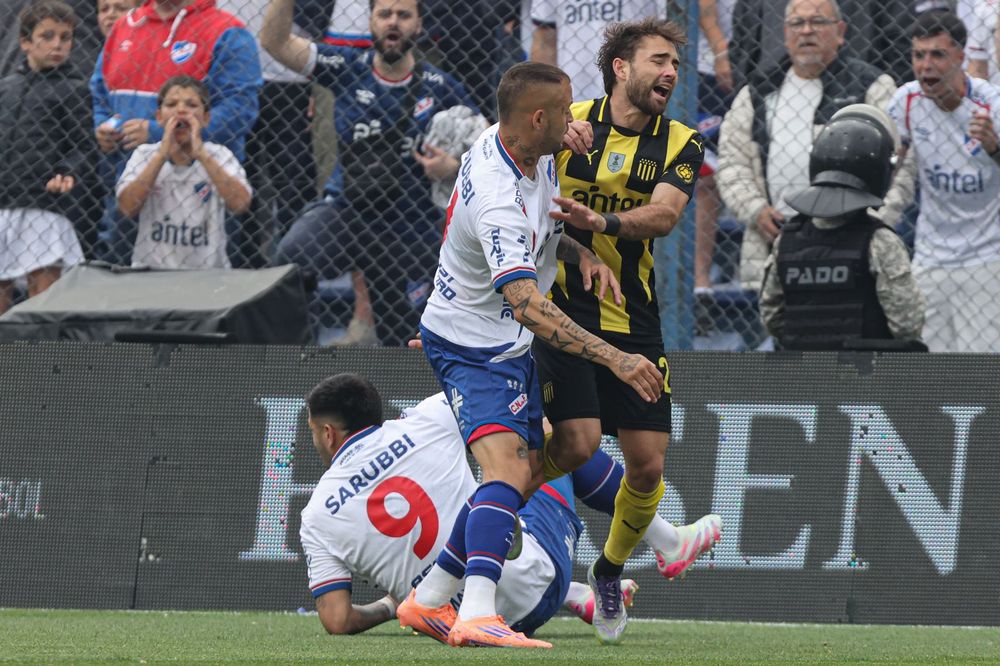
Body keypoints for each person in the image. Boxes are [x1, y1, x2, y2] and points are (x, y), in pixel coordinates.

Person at [398, 61, 664, 648]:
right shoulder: (497, 196)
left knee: (573, 446)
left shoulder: (523, 146)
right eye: (566, 111)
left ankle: (432, 597)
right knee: (510, 473)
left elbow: (540, 225)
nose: (576, 121)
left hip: (497, 340)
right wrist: (615, 358)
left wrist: (580, 255)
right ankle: (477, 612)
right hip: (475, 345)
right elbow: (525, 302)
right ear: (537, 118)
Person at [530, 18, 717, 644]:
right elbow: (505, 165)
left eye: (675, 64)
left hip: (633, 316)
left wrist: (599, 225)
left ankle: (607, 571)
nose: (670, 72)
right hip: (558, 310)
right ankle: (490, 517)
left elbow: (664, 216)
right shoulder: (567, 119)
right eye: (658, 60)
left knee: (646, 465)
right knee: (575, 442)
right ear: (620, 67)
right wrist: (551, 141)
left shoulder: (682, 142)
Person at [302, 374, 717, 638]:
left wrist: (391, 605)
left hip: (457, 625)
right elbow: (509, 393)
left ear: (328, 433)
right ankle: (666, 540)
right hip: (536, 583)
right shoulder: (426, 419)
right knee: (557, 437)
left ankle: (574, 595)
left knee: (497, 494)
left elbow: (338, 621)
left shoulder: (315, 516)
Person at [262, 0, 482, 347]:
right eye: (385, 14)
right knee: (291, 255)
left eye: (403, 15)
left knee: (408, 336)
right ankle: (296, 356)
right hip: (347, 212)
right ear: (371, 22)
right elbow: (275, 43)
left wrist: (453, 167)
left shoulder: (440, 85)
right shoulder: (346, 66)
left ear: (418, 25)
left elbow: (487, 149)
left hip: (411, 222)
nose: (393, 22)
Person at [717, 0, 901, 293]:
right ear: (785, 32)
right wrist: (756, 210)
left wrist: (867, 226)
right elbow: (730, 162)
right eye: (797, 23)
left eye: (817, 22)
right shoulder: (758, 91)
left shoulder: (871, 87)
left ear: (840, 31)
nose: (806, 31)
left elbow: (898, 168)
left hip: (852, 246)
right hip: (776, 244)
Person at [90, 0, 261, 264]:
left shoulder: (227, 31)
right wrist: (102, 126)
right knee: (124, 286)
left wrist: (159, 133)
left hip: (204, 193)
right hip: (130, 187)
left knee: (210, 290)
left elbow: (240, 110)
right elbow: (100, 91)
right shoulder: (126, 25)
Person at [758, 104, 926, 350]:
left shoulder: (787, 239)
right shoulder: (879, 242)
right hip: (867, 378)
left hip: (803, 378)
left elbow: (772, 319)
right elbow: (908, 325)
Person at [883, 11, 1000, 352]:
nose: (926, 66)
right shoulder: (905, 101)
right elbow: (891, 166)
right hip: (930, 257)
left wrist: (994, 147)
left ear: (961, 58)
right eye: (919, 55)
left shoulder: (991, 104)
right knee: (930, 369)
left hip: (987, 257)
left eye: (937, 54)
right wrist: (893, 158)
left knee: (983, 373)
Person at [0, 0, 93, 315]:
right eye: (48, 36)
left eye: (65, 37)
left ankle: (39, 360)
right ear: (26, 41)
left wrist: (68, 171)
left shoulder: (74, 89)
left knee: (43, 303)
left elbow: (84, 145)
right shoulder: (6, 88)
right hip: (2, 201)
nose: (58, 45)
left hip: (45, 204)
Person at [116, 76, 252, 268]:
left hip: (207, 274)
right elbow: (127, 207)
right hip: (151, 272)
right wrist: (162, 155)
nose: (181, 111)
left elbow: (240, 204)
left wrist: (201, 154)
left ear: (206, 118)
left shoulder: (220, 155)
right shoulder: (145, 155)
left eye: (191, 104)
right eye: (171, 104)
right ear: (159, 117)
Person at [529, 0, 666, 103]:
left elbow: (660, 33)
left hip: (631, 89)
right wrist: (543, 93)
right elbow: (544, 40)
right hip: (573, 88)